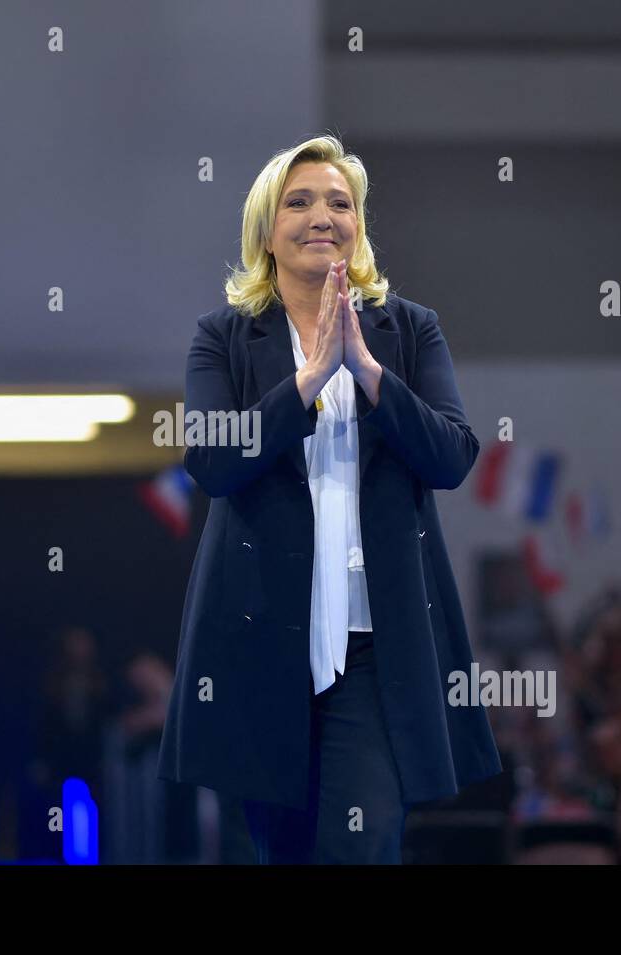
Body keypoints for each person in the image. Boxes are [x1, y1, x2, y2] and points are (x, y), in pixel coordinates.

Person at [156, 135, 501, 863]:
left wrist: (369, 374)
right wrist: (308, 381)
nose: (323, 215)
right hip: (261, 647)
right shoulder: (222, 338)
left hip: (377, 650)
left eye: (340, 203)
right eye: (300, 200)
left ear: (359, 226)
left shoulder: (409, 329)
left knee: (363, 840)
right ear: (266, 230)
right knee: (285, 851)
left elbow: (452, 455)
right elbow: (213, 460)